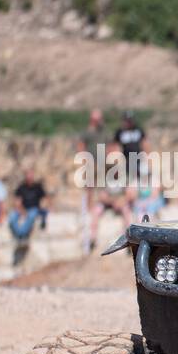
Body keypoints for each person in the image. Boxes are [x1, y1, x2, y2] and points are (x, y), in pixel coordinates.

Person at [79, 108, 110, 253]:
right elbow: (81, 146)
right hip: (91, 162)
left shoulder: (104, 131)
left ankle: (101, 205)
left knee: (103, 186)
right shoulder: (87, 132)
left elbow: (109, 145)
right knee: (90, 187)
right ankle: (90, 207)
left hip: (102, 162)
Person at [8, 168, 48, 267]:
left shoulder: (38, 187)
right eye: (28, 175)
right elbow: (17, 202)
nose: (30, 177)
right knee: (12, 217)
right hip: (22, 209)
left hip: (34, 209)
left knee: (32, 215)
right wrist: (22, 211)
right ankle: (20, 235)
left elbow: (45, 199)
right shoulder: (21, 187)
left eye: (31, 175)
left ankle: (22, 236)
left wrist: (45, 209)